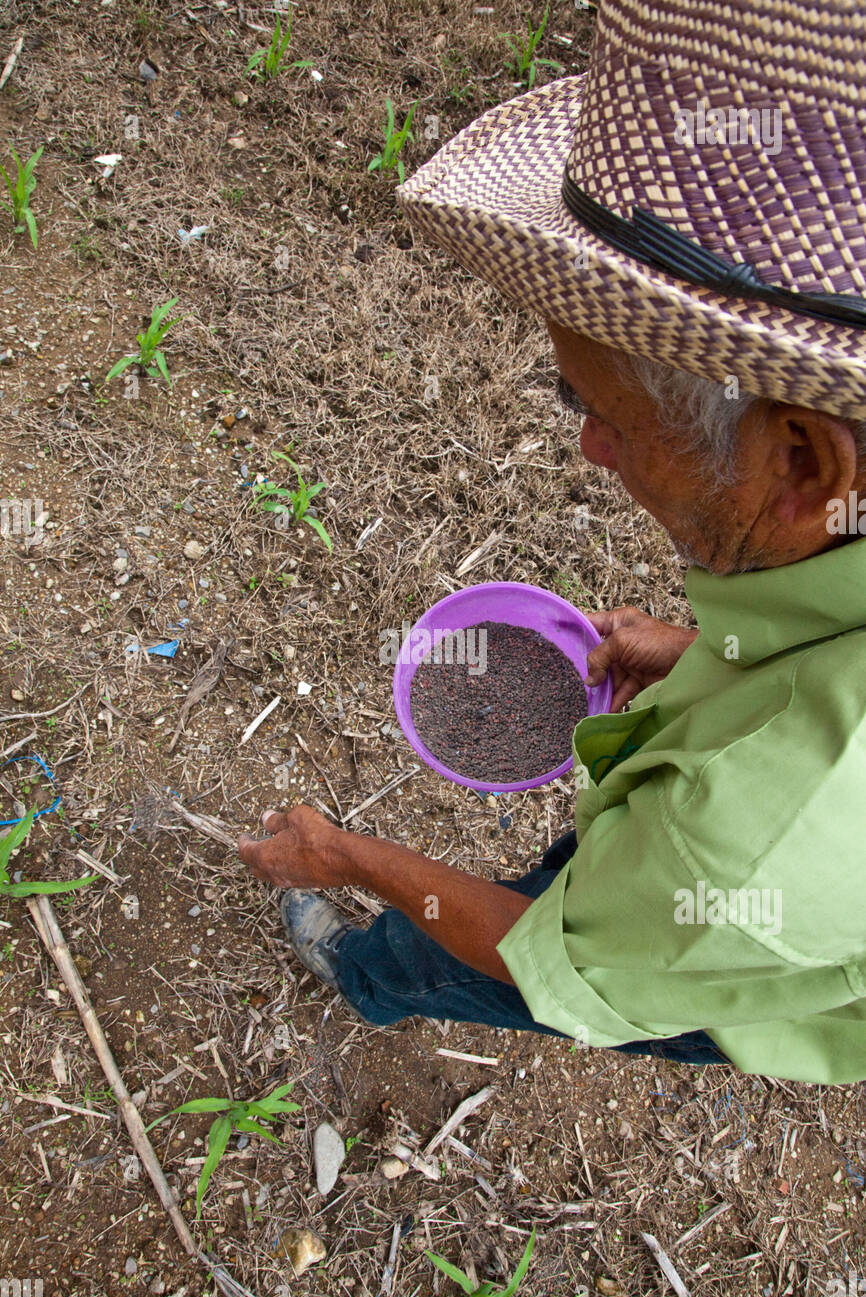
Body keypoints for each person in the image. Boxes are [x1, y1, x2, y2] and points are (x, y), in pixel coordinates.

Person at [239, 0, 866, 1083]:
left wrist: (341, 853)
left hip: (721, 945)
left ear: (805, 462)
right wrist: (703, 657)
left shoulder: (739, 840)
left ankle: (365, 973)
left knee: (481, 949)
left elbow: (538, 959)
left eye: (610, 417)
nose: (588, 447)